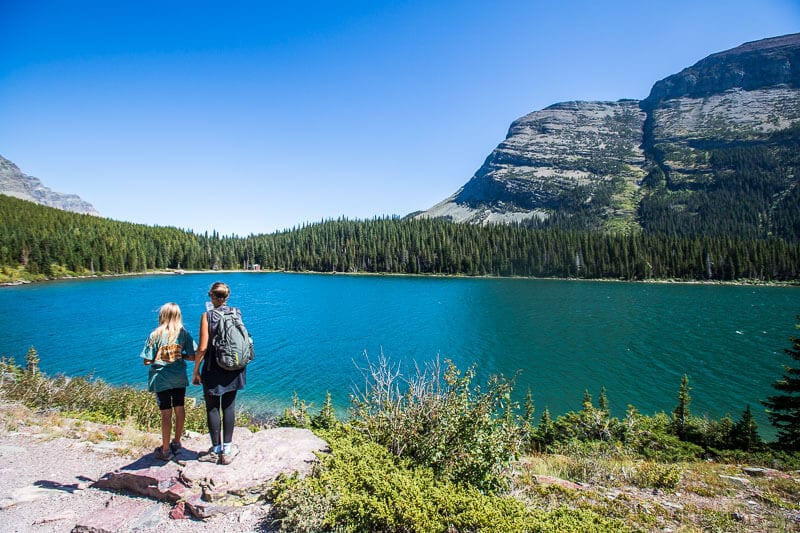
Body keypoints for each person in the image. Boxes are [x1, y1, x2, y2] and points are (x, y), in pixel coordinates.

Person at [192, 282, 246, 465]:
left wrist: (195, 371)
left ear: (212, 297)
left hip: (214, 368)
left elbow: (202, 347)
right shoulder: (236, 312)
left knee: (213, 408)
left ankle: (216, 450)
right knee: (229, 407)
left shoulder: (207, 316)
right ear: (227, 297)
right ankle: (228, 451)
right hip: (235, 366)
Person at [141, 302, 196, 461]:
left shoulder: (155, 335)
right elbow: (193, 356)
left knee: (165, 412)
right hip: (178, 377)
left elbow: (146, 360)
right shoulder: (183, 334)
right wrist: (179, 355)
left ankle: (165, 450)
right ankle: (177, 442)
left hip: (161, 379)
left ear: (162, 316)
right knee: (180, 408)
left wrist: (161, 356)